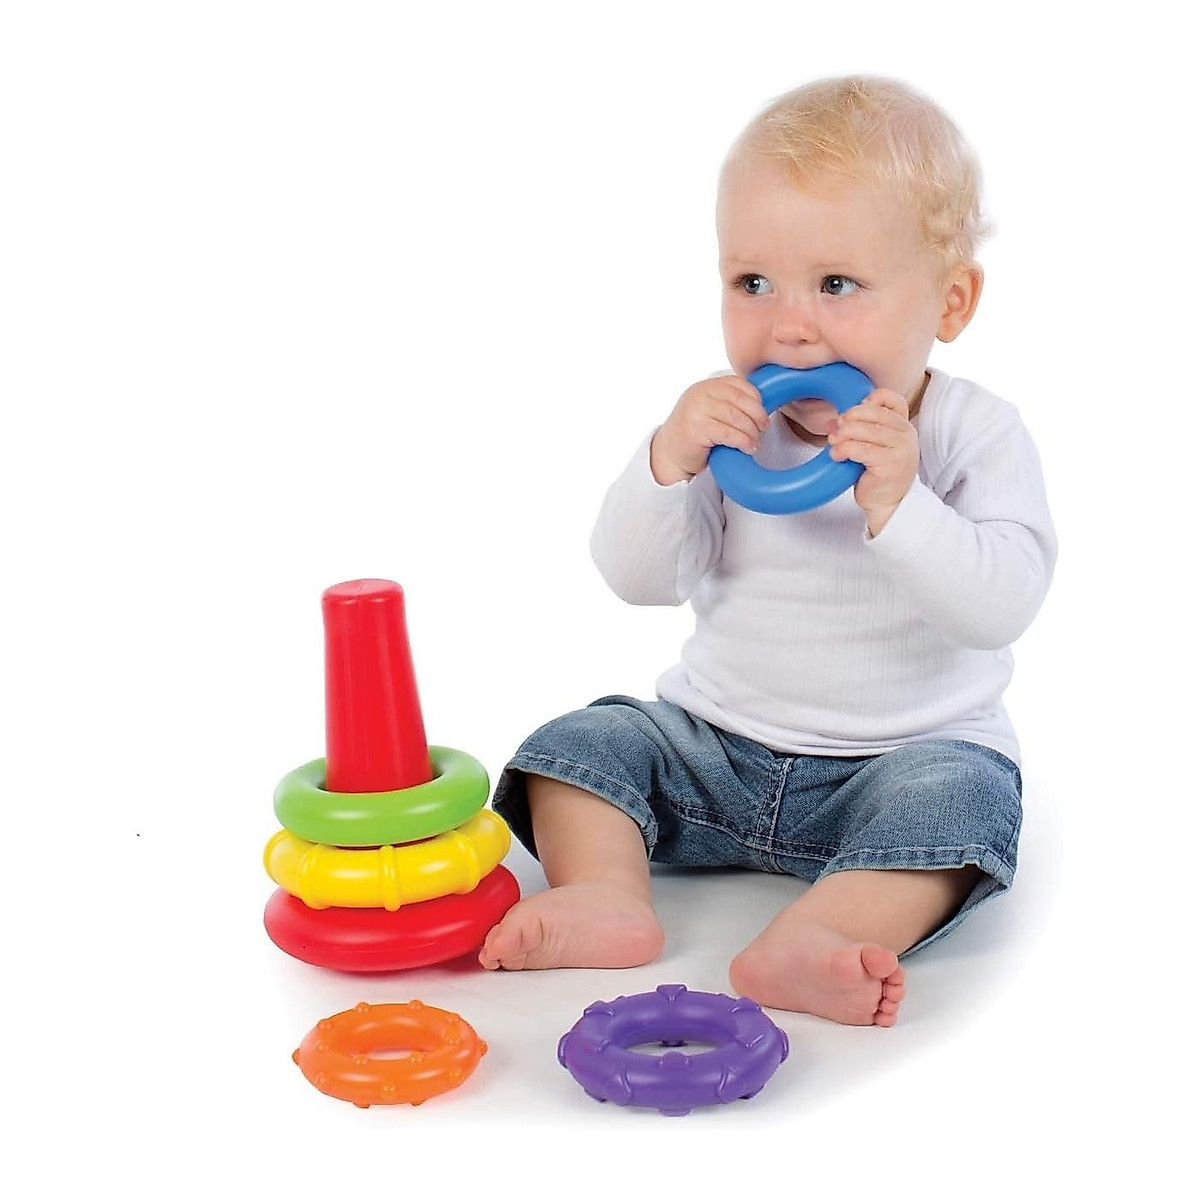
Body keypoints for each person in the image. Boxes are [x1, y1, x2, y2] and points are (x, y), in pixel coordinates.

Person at [478, 75, 1057, 1027]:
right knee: (579, 745)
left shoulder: (974, 434)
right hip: (714, 746)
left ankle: (819, 936)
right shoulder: (731, 429)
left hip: (900, 760)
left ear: (950, 302)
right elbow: (637, 581)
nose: (788, 325)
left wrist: (902, 504)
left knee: (965, 807)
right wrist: (667, 462)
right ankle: (605, 896)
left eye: (837, 285)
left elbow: (1003, 606)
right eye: (752, 283)